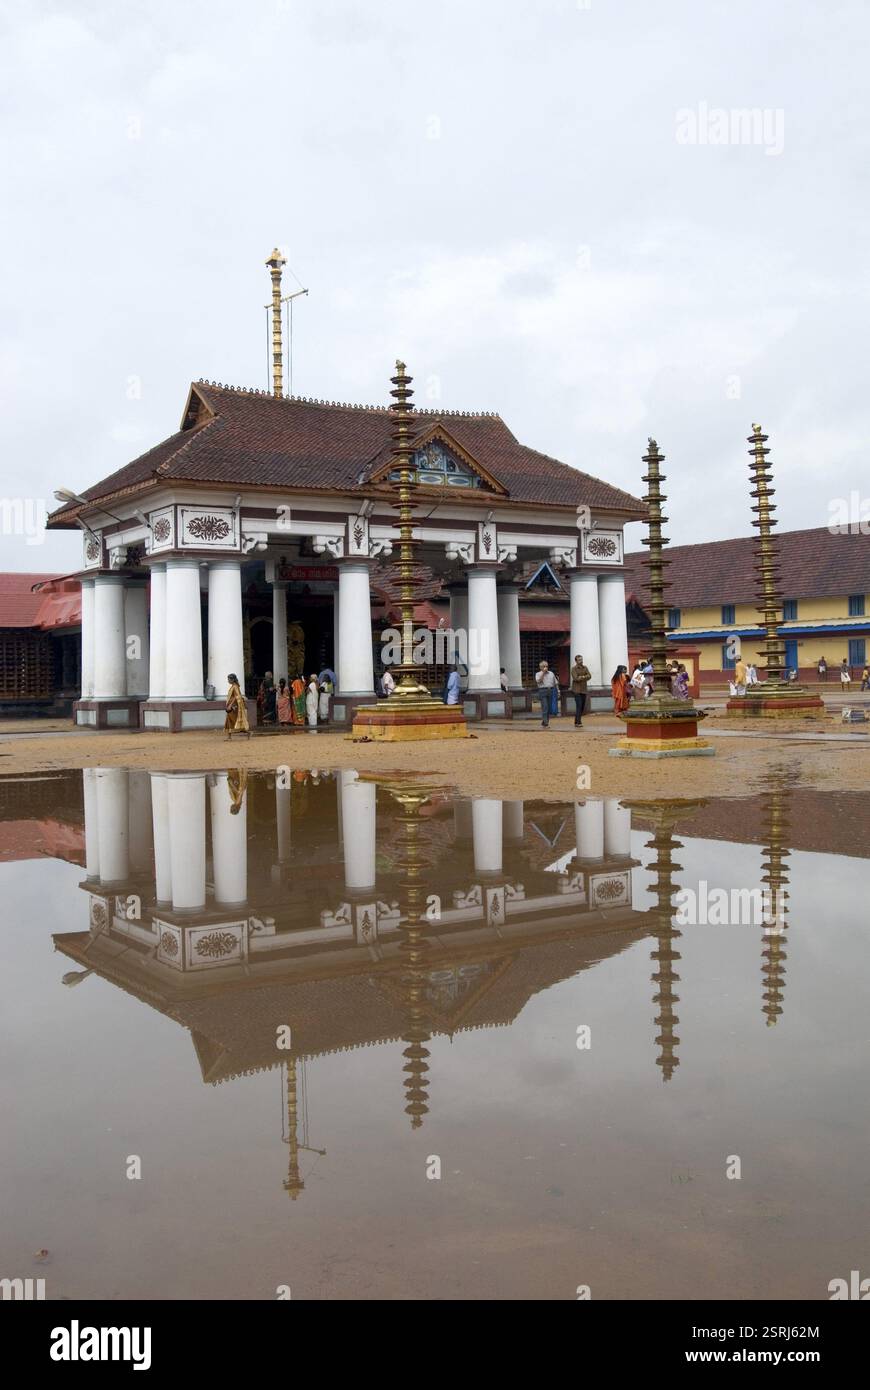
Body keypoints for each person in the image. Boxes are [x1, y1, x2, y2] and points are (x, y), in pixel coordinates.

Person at [224, 673, 251, 741]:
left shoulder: (235, 686)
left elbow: (237, 697)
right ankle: (229, 736)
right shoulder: (233, 686)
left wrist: (230, 705)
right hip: (232, 706)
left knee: (232, 720)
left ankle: (247, 732)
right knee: (229, 720)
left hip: (234, 707)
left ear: (232, 679)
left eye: (229, 679)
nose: (228, 680)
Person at [570, 653, 592, 727]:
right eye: (579, 660)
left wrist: (581, 677)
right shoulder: (573, 669)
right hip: (576, 690)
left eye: (581, 659)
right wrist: (584, 677)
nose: (581, 661)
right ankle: (579, 722)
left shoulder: (585, 667)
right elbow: (575, 678)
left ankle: (576, 721)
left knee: (582, 706)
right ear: (576, 661)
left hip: (584, 689)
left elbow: (589, 676)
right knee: (579, 706)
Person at [534, 660, 558, 727]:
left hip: (550, 690)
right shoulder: (538, 674)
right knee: (545, 707)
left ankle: (544, 722)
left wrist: (557, 691)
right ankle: (546, 723)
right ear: (540, 667)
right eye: (544, 666)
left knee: (549, 707)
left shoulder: (551, 673)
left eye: (547, 666)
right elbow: (539, 681)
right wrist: (543, 673)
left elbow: (555, 683)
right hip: (542, 690)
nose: (545, 667)